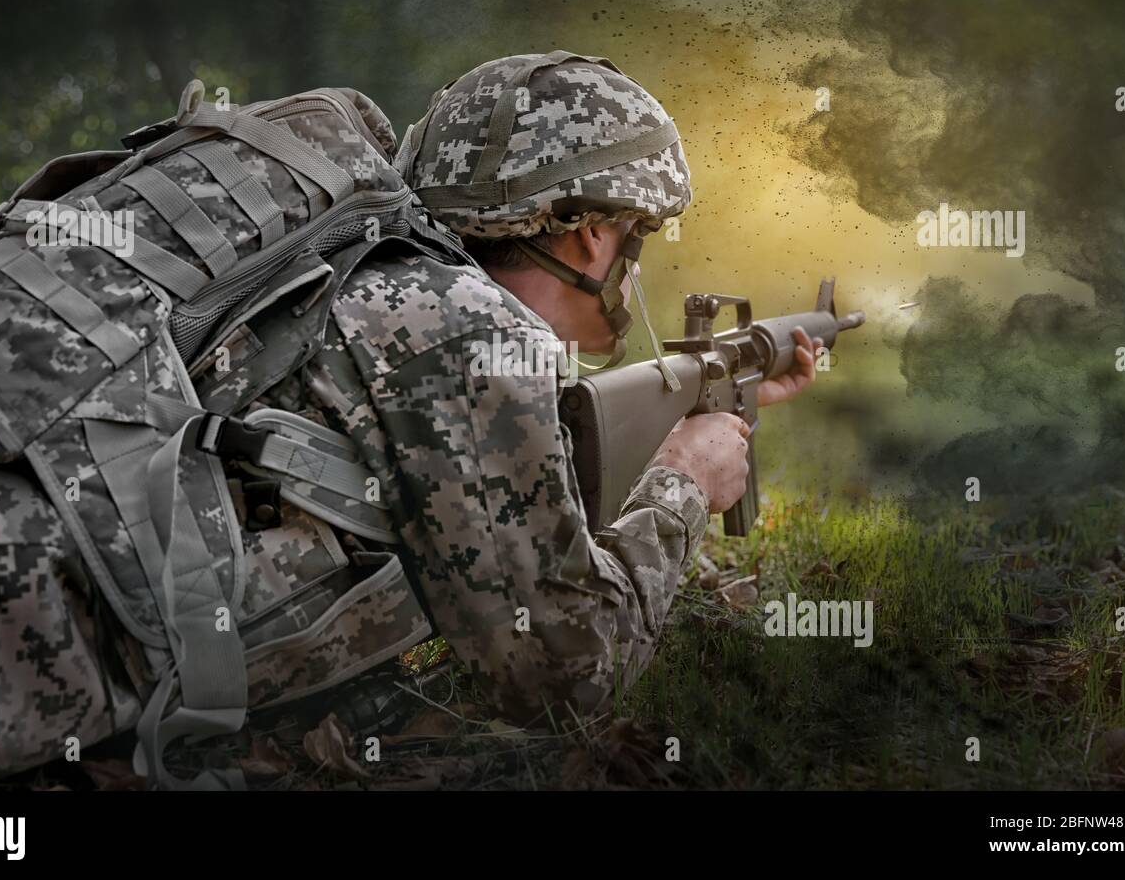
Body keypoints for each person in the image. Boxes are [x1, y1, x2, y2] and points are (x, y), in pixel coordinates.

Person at [250, 50, 822, 723]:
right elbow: (568, 675)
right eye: (638, 234)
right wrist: (684, 483)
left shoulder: (374, 282)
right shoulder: (469, 331)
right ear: (592, 233)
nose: (632, 264)